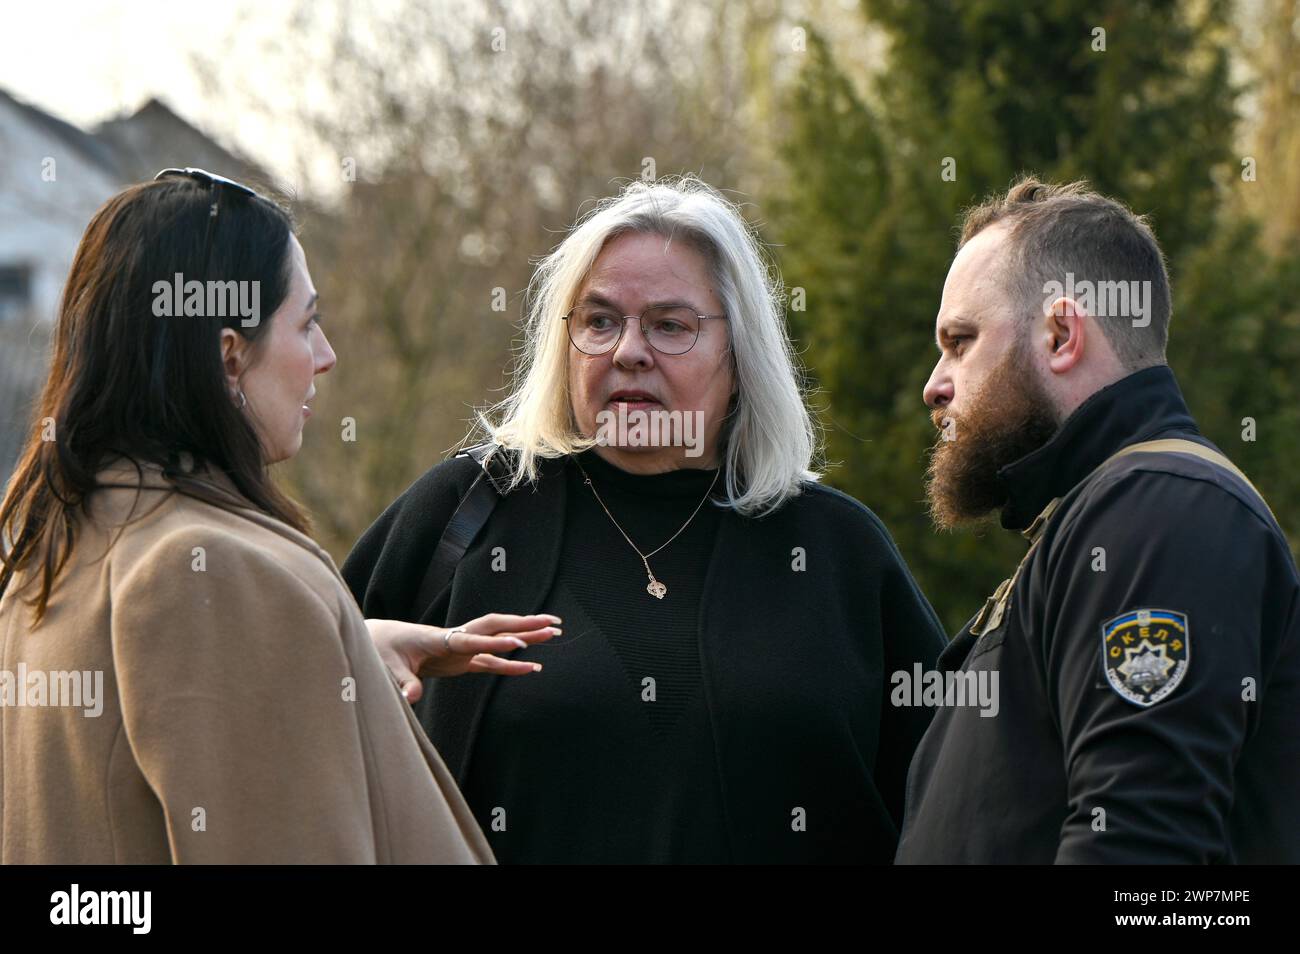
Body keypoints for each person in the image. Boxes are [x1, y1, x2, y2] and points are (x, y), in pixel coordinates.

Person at [343, 176, 946, 864]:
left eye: (669, 325)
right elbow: (288, 721)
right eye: (599, 321)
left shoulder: (836, 550)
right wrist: (356, 649)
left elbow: (958, 800)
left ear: (740, 355)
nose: (629, 350)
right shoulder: (467, 511)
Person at [0, 169, 552, 863]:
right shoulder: (208, 575)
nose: (325, 357)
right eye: (308, 322)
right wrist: (278, 632)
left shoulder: (46, 556)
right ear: (231, 357)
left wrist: (338, 650)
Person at [895, 177, 1300, 864]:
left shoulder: (1163, 511)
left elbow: (1140, 854)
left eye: (960, 341)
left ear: (1060, 333)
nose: (933, 384)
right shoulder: (1103, 517)